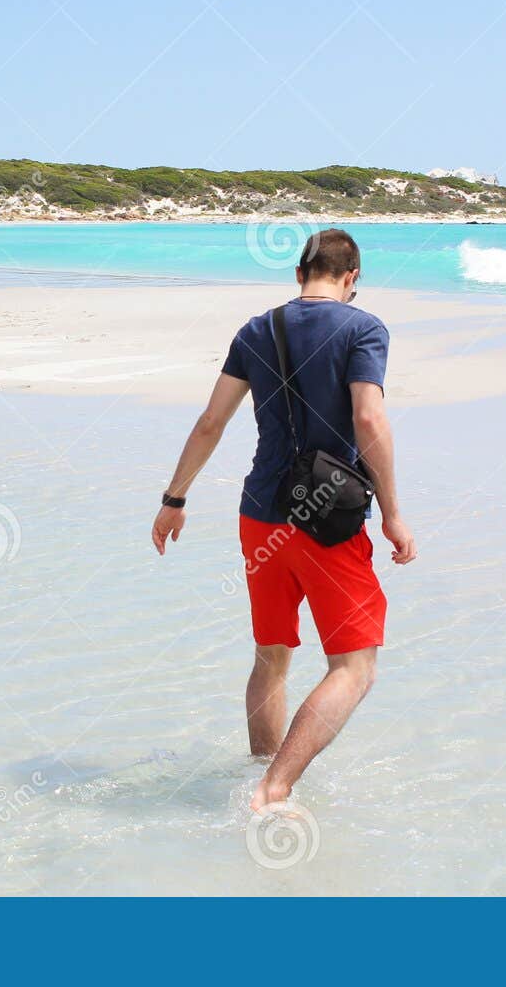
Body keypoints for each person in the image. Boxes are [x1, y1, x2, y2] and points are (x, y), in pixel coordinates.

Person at [150, 228, 417, 813]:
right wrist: (393, 513)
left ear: (300, 273)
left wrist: (175, 499)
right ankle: (273, 788)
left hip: (260, 516)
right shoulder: (363, 329)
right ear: (351, 278)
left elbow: (211, 422)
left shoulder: (255, 330)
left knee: (270, 658)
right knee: (355, 667)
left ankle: (258, 772)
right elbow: (369, 420)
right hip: (327, 519)